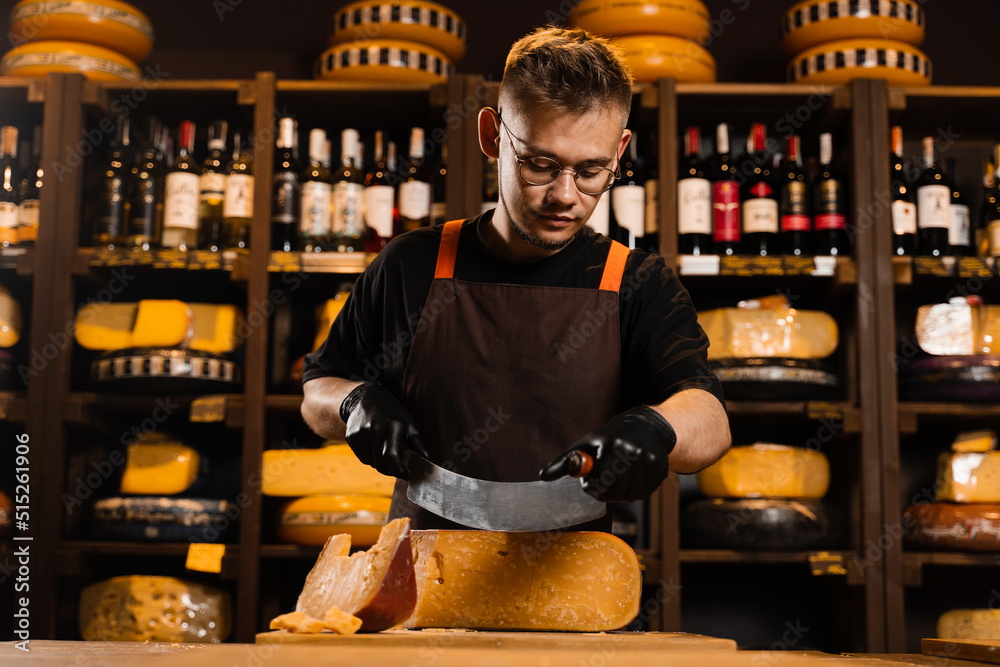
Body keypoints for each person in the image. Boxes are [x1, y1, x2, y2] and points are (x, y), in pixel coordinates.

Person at [301, 26, 731, 531]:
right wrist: (353, 402)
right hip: (424, 581)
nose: (565, 196)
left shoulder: (639, 280)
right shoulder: (411, 263)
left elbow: (711, 419)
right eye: (540, 165)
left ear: (620, 151)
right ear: (492, 136)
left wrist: (658, 428)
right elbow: (316, 396)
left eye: (592, 171)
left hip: (574, 590)